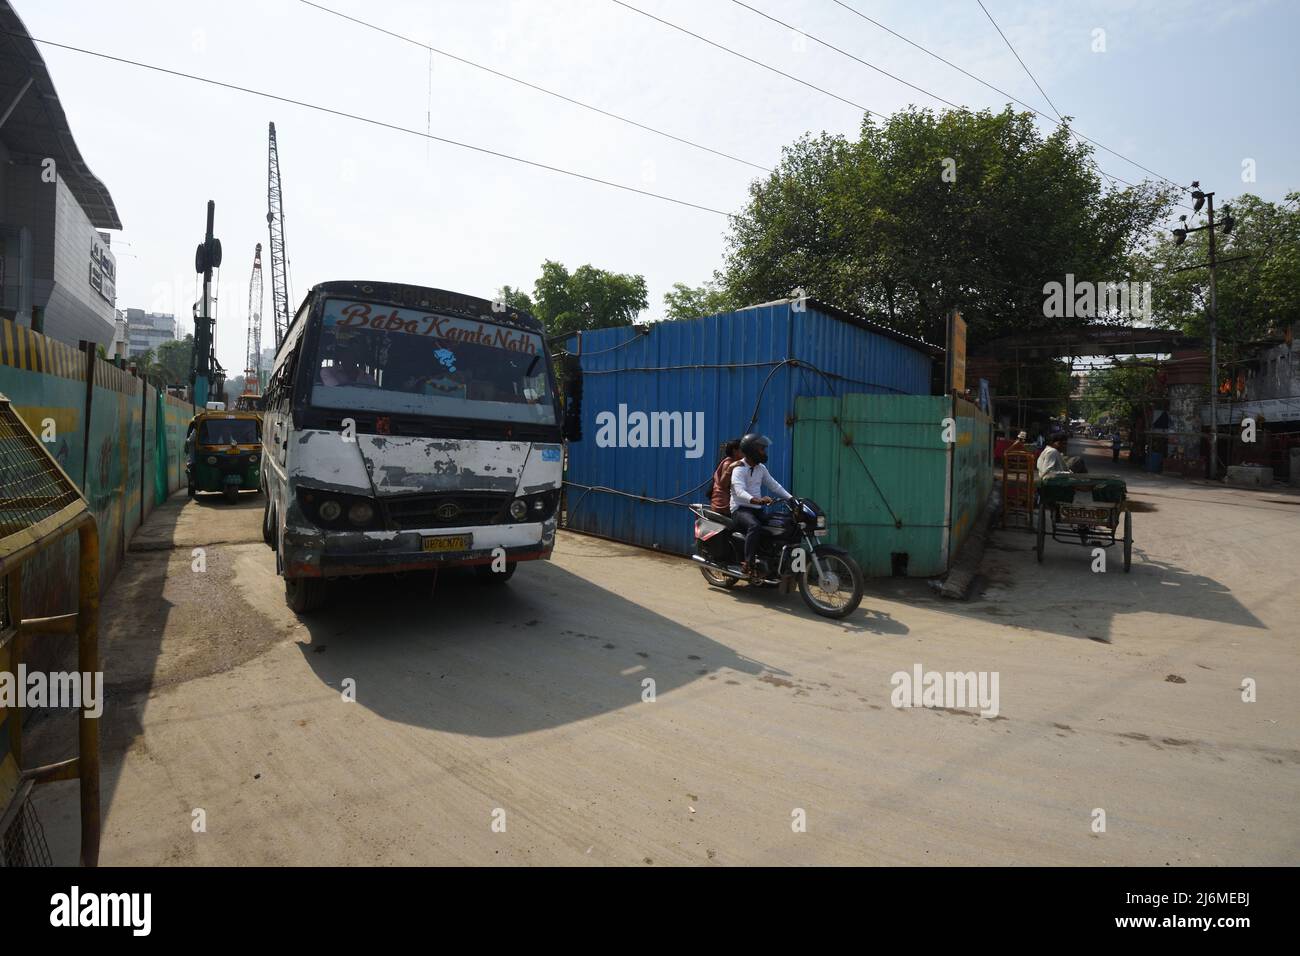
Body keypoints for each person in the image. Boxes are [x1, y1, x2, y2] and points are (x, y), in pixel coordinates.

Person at [730, 433, 791, 579]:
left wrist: (791, 498)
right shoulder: (739, 469)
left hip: (756, 510)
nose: (764, 452)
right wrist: (756, 500)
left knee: (779, 523)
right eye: (761, 449)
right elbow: (739, 491)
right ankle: (748, 563)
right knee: (754, 526)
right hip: (740, 510)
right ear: (751, 451)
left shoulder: (761, 468)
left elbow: (774, 485)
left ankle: (768, 558)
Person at [709, 438, 743, 515]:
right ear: (735, 451)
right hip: (723, 505)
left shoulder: (735, 462)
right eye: (742, 450)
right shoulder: (728, 464)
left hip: (728, 503)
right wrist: (730, 468)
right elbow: (724, 484)